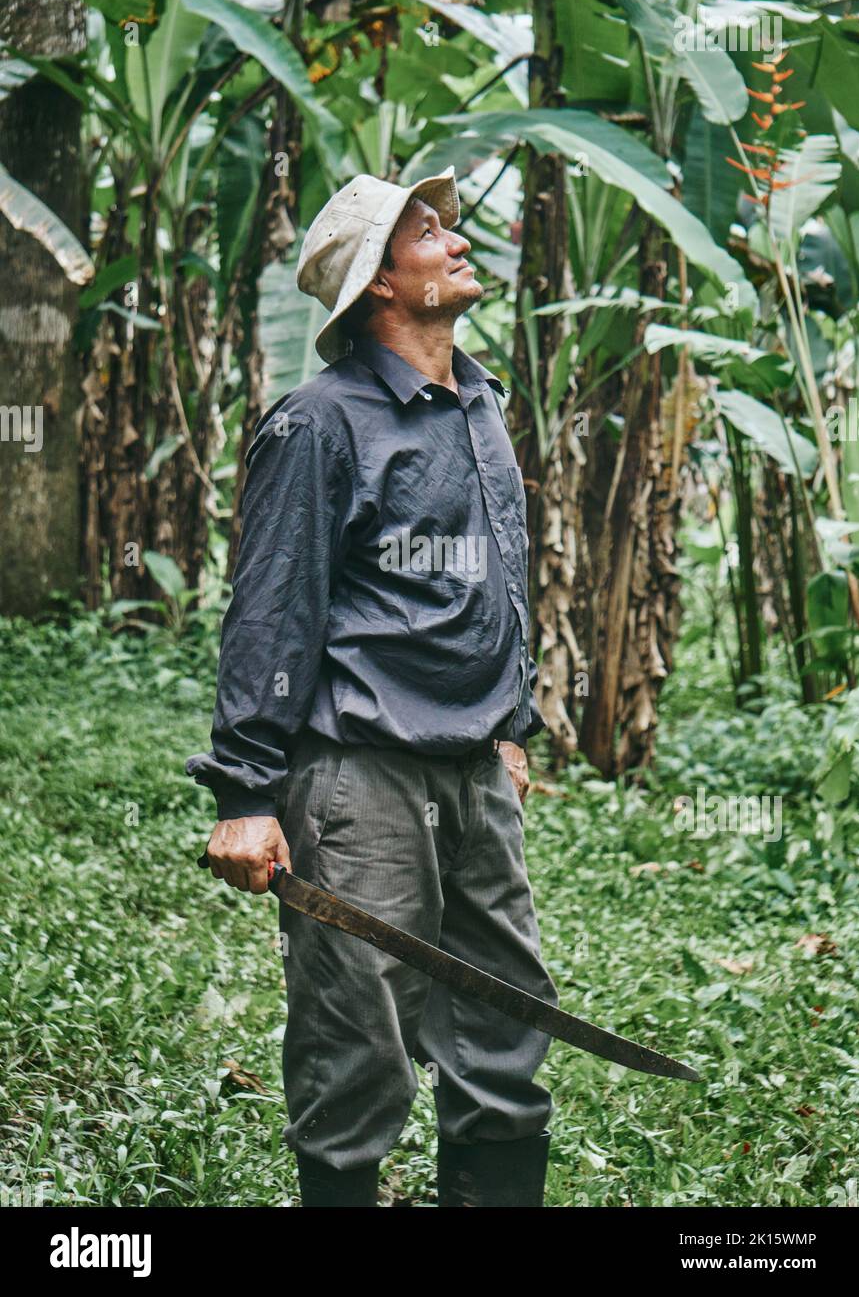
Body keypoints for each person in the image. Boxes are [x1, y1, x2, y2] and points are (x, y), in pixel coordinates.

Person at [186, 165, 559, 1207]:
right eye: (426, 231)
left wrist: (511, 723)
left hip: (474, 774)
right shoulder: (319, 424)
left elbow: (492, 579)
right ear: (377, 286)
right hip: (358, 778)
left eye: (446, 223)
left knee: (503, 1022)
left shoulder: (479, 403)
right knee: (357, 1043)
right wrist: (245, 794)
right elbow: (271, 609)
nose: (454, 238)